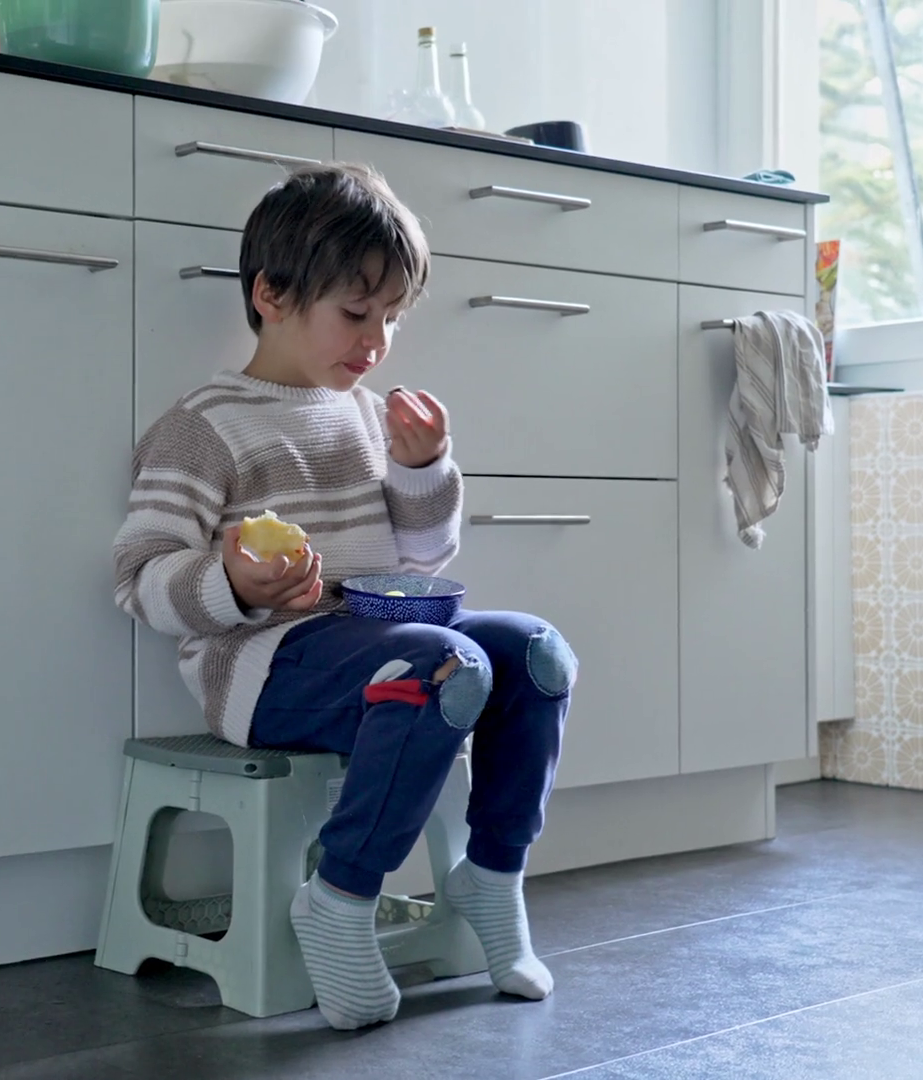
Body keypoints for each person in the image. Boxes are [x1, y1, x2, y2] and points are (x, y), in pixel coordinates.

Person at [112, 163, 577, 1030]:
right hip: (262, 666)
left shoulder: (367, 416)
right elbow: (141, 578)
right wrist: (235, 584)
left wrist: (422, 467)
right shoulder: (203, 426)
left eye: (392, 318)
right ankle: (340, 900)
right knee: (446, 665)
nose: (376, 340)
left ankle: (492, 876)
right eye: (356, 313)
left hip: (382, 640)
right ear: (273, 295)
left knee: (535, 653)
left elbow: (428, 555)